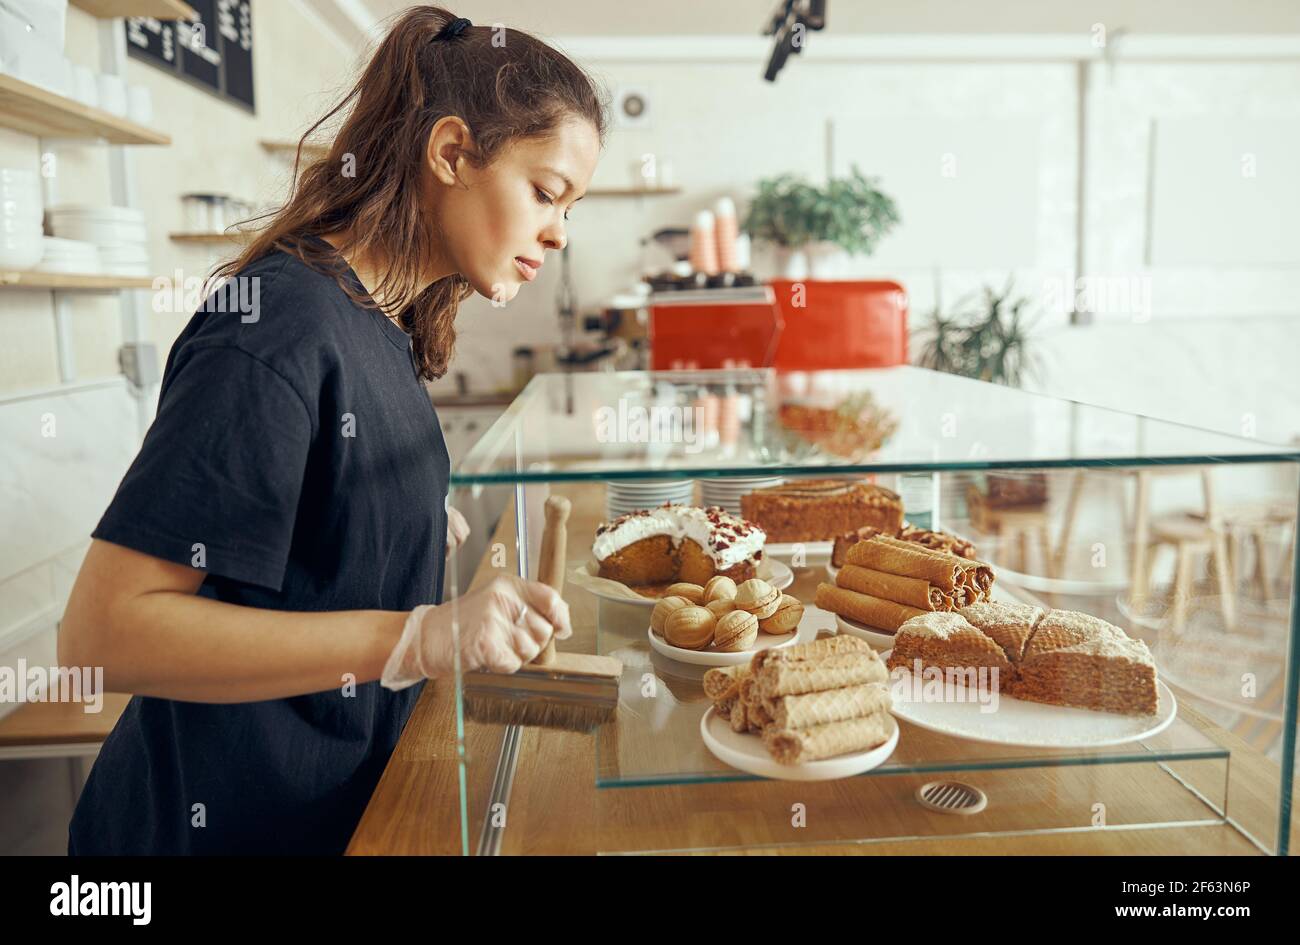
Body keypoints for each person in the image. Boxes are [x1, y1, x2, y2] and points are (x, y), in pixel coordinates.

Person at [60, 7, 605, 855]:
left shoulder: (383, 322)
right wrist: (419, 636)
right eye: (546, 192)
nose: (560, 232)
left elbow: (302, 547)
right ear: (452, 152)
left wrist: (400, 523)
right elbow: (102, 635)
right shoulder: (278, 324)